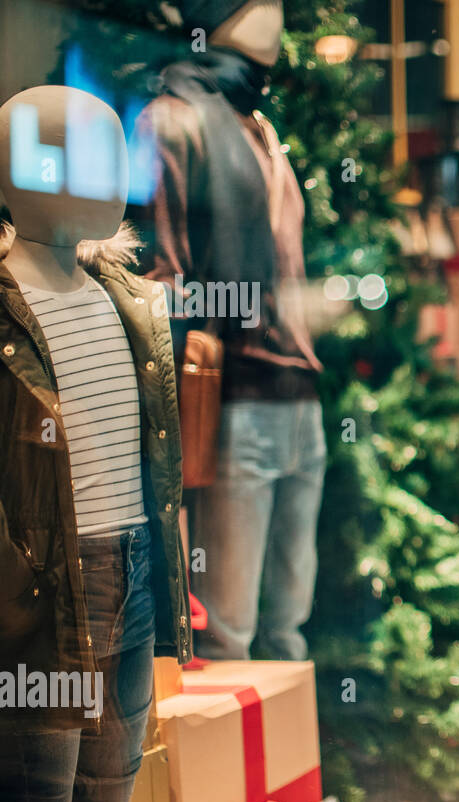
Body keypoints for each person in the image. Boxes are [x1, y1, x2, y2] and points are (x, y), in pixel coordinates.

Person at [0, 87, 191, 802]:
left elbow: (156, 465)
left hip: (133, 581)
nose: (112, 177)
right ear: (23, 172)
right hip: (40, 607)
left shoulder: (130, 302)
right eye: (85, 156)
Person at [136, 0, 326, 661]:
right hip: (235, 395)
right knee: (226, 631)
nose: (272, 14)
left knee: (290, 628)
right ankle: (229, 764)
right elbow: (160, 278)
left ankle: (291, 766)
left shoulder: (263, 128)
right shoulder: (173, 120)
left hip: (300, 396)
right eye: (252, 2)